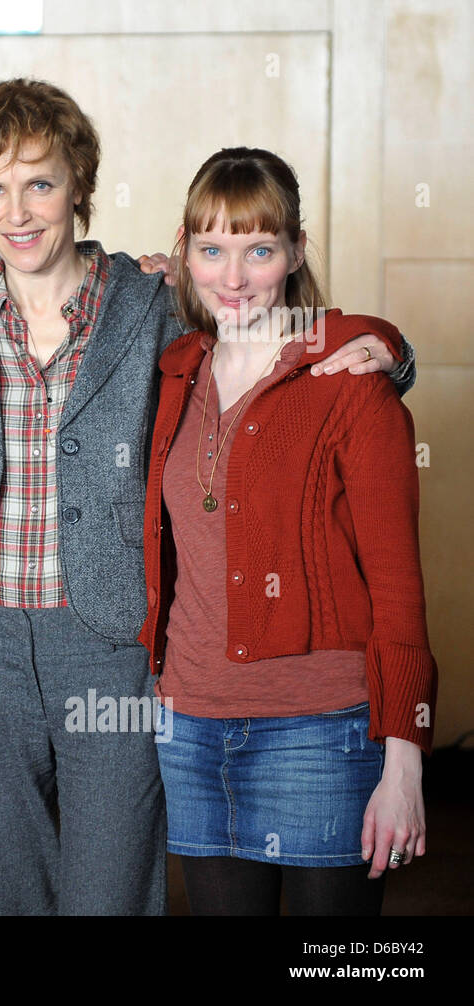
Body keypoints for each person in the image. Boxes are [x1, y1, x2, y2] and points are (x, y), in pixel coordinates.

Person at [0, 79, 412, 915]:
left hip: (114, 647)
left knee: (109, 896)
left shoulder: (151, 303)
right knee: (2, 896)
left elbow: (261, 317)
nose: (18, 211)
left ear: (79, 184)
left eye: (40, 183)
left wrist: (387, 351)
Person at [139, 147, 436, 915]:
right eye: (211, 251)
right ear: (186, 251)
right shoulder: (175, 368)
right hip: (193, 726)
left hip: (321, 732)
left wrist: (404, 763)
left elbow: (399, 587)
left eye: (259, 251)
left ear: (296, 251)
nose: (232, 279)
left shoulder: (352, 383)